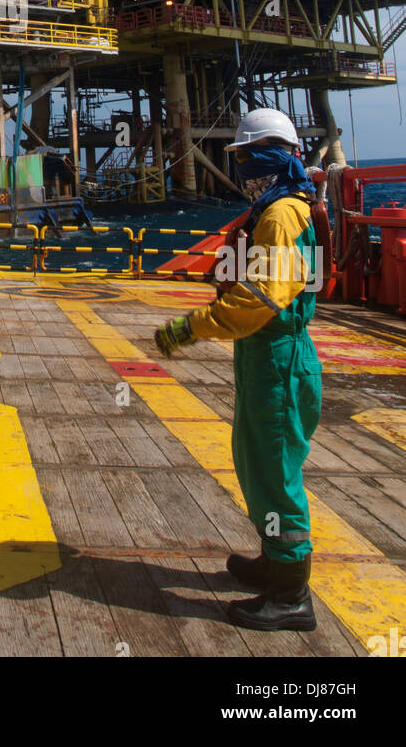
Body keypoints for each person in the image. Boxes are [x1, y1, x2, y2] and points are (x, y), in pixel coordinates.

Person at [154, 107, 321, 632]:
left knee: (273, 471)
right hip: (265, 354)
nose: (244, 168)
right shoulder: (283, 206)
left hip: (278, 354)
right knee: (256, 462)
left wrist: (191, 328)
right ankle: (275, 562)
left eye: (247, 157)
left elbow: (261, 300)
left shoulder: (279, 216)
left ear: (268, 155)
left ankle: (291, 595)